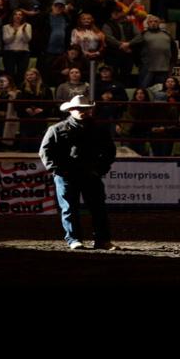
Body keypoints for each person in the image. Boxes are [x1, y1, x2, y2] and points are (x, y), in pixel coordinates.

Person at [39, 94, 115, 250]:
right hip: (69, 175)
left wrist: (99, 169)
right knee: (72, 208)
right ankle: (80, 239)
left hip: (88, 174)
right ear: (71, 110)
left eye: (84, 109)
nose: (82, 111)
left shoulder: (96, 129)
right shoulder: (57, 129)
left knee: (96, 208)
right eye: (78, 108)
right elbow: (45, 153)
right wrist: (58, 171)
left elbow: (109, 152)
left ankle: (95, 240)